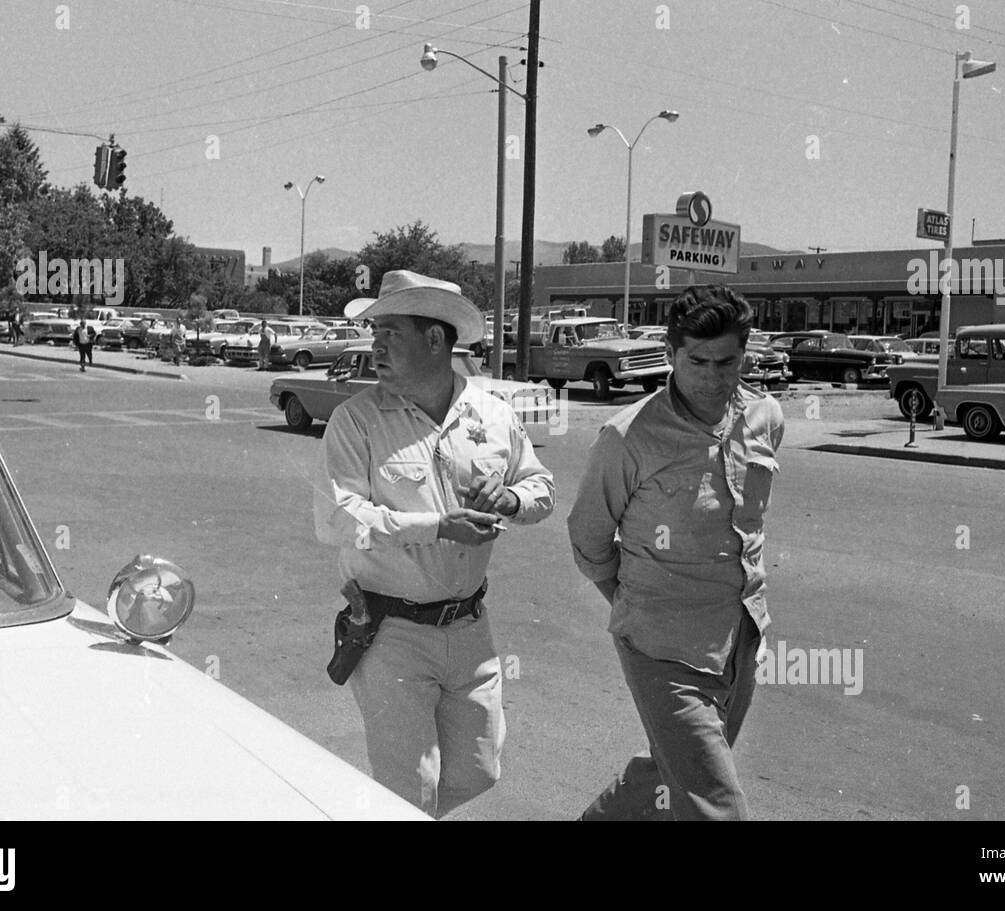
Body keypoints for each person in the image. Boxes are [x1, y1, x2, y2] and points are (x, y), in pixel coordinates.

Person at [313, 270, 555, 818]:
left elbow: (542, 487)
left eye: (390, 331)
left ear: (435, 340)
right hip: (390, 630)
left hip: (471, 629)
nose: (375, 343)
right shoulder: (357, 421)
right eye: (374, 331)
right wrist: (437, 526)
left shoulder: (491, 413)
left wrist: (511, 499)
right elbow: (336, 518)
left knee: (479, 769)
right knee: (408, 788)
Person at [567, 284, 785, 821]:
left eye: (727, 362)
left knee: (670, 774)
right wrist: (639, 600)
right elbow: (589, 538)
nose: (713, 378)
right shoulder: (628, 437)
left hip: (739, 636)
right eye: (698, 361)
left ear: (745, 354)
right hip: (661, 646)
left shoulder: (765, 417)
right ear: (670, 356)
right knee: (714, 804)